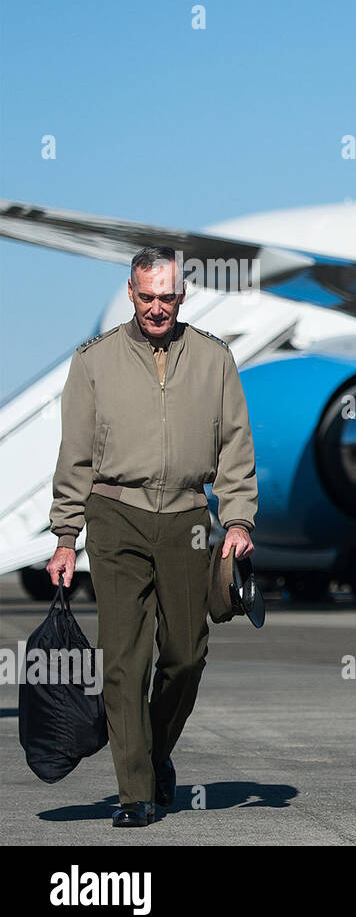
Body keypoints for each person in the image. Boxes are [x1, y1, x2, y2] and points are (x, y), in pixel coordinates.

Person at [45, 245, 257, 828]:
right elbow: (76, 454)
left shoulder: (214, 359)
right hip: (114, 516)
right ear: (131, 292)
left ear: (182, 295)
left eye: (168, 297)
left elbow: (236, 445)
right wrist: (66, 534)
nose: (157, 307)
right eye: (147, 297)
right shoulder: (94, 361)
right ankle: (135, 791)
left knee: (187, 655)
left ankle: (155, 750)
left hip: (188, 519)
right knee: (124, 660)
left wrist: (238, 520)